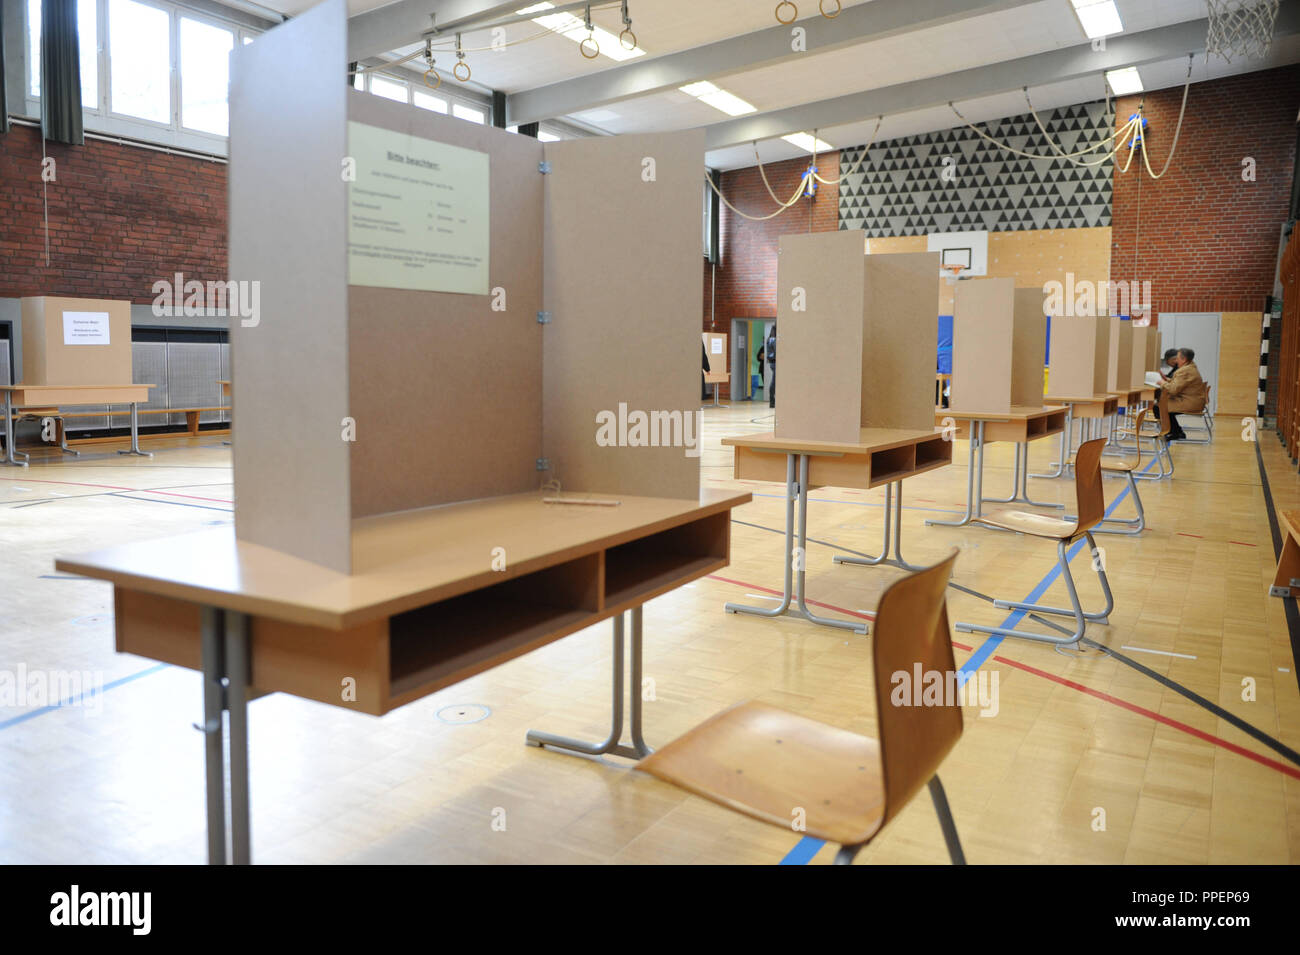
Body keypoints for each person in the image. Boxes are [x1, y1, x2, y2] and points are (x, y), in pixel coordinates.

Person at [1154, 347, 1207, 441]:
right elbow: (1179, 384)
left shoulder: (1185, 371)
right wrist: (1166, 380)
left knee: (1159, 407)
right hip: (1192, 400)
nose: (1176, 360)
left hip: (1190, 403)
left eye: (1177, 358)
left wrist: (1162, 383)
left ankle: (1172, 432)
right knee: (1162, 405)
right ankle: (1176, 432)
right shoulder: (1190, 367)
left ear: (1184, 359)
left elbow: (1174, 390)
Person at [765, 326, 777, 408]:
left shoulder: (769, 339)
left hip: (772, 363)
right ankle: (772, 401)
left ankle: (772, 401)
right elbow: (777, 351)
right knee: (774, 382)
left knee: (774, 381)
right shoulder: (773, 339)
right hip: (775, 362)